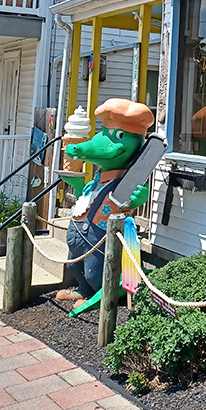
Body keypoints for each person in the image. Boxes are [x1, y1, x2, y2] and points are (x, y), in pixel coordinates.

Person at [56, 99, 154, 309]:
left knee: (94, 272)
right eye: (105, 132)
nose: (103, 142)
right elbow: (87, 195)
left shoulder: (126, 183)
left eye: (118, 135)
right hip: (79, 235)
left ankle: (100, 295)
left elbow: (134, 199)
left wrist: (138, 198)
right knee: (75, 265)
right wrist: (74, 179)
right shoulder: (98, 178)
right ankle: (83, 290)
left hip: (99, 236)